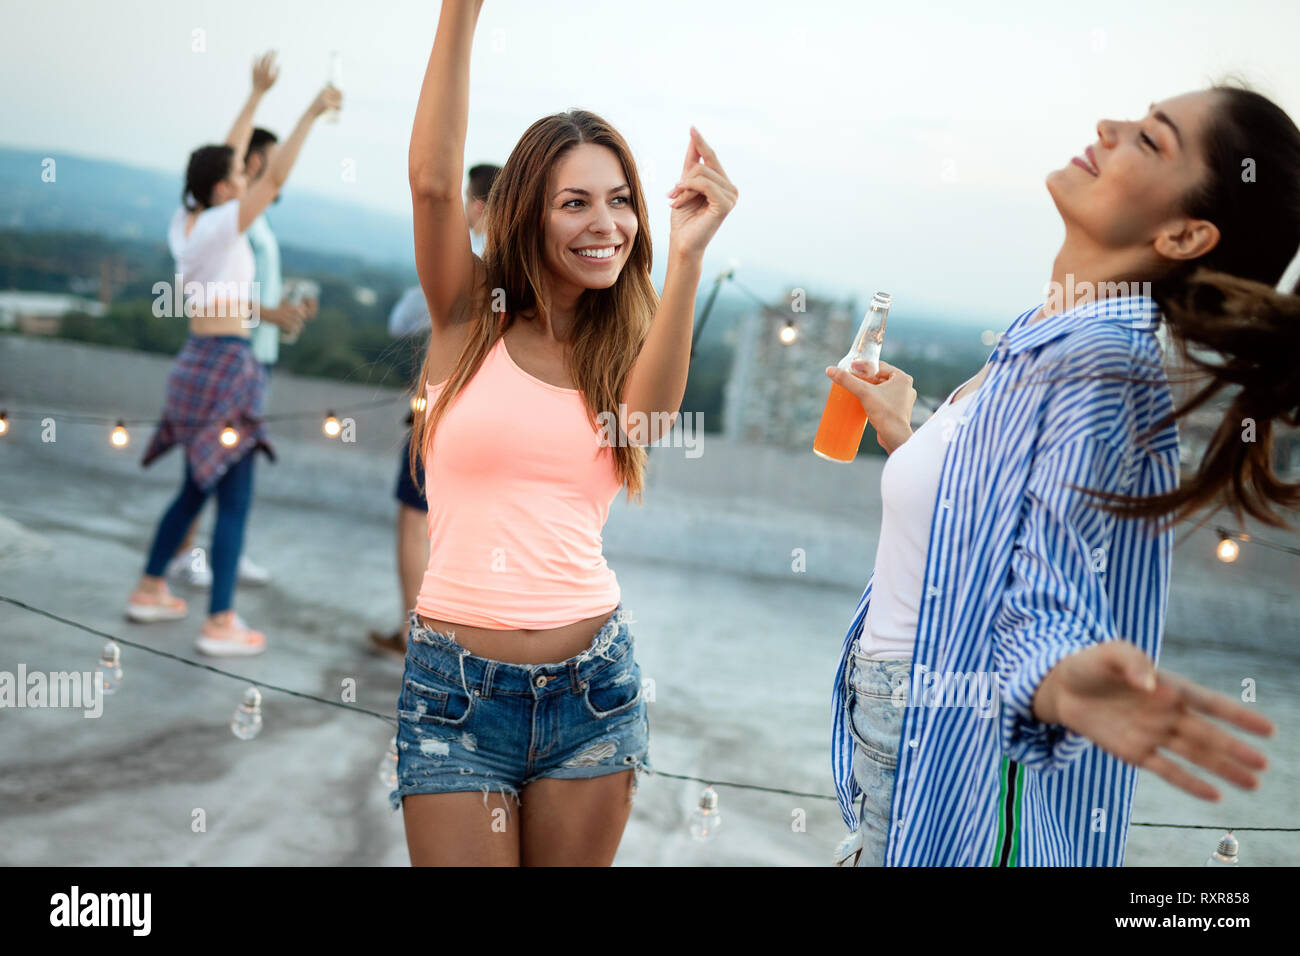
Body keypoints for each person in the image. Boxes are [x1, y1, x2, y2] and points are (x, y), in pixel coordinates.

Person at [826, 82, 1295, 866]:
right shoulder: (1045, 332)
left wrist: (1063, 678)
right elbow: (998, 518)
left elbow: (1050, 578)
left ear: (1184, 234)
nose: (1108, 128)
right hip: (910, 728)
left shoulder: (1099, 360)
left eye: (1151, 140)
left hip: (960, 742)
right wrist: (909, 437)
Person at [391, 0, 737, 866]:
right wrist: (460, 14)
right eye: (574, 202)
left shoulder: (621, 347)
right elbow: (434, 185)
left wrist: (688, 255)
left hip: (594, 690)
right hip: (454, 694)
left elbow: (647, 423)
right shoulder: (470, 313)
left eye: (620, 202)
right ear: (527, 215)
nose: (605, 224)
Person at [126, 51, 341, 656]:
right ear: (224, 189)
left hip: (196, 360)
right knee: (234, 499)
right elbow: (273, 178)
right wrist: (310, 111)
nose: (248, 181)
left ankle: (149, 588)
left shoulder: (186, 221)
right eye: (237, 178)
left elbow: (226, 159)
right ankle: (220, 621)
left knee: (196, 487)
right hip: (228, 367)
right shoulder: (223, 224)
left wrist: (253, 97)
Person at [163, 126, 318, 591]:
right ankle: (195, 570)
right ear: (248, 166)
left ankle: (217, 558)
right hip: (230, 352)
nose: (272, 172)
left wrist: (281, 308)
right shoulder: (225, 220)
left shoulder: (254, 218)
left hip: (253, 353)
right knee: (214, 476)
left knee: (222, 476)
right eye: (266, 161)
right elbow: (220, 290)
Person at [368, 162, 501, 660]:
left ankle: (416, 636)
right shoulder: (527, 275)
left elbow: (402, 320)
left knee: (414, 522)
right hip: (497, 427)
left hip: (440, 416)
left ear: (479, 206)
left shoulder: (463, 266)